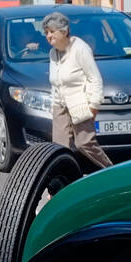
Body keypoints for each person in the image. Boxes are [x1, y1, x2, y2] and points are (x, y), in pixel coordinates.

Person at [44, 12, 112, 170]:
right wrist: (54, 107)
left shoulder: (80, 48)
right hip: (60, 106)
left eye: (52, 31)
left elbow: (94, 78)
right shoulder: (52, 54)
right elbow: (56, 83)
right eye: (46, 32)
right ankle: (60, 187)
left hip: (79, 104)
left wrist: (94, 106)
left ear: (64, 31)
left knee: (84, 143)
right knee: (58, 150)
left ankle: (110, 171)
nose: (48, 36)